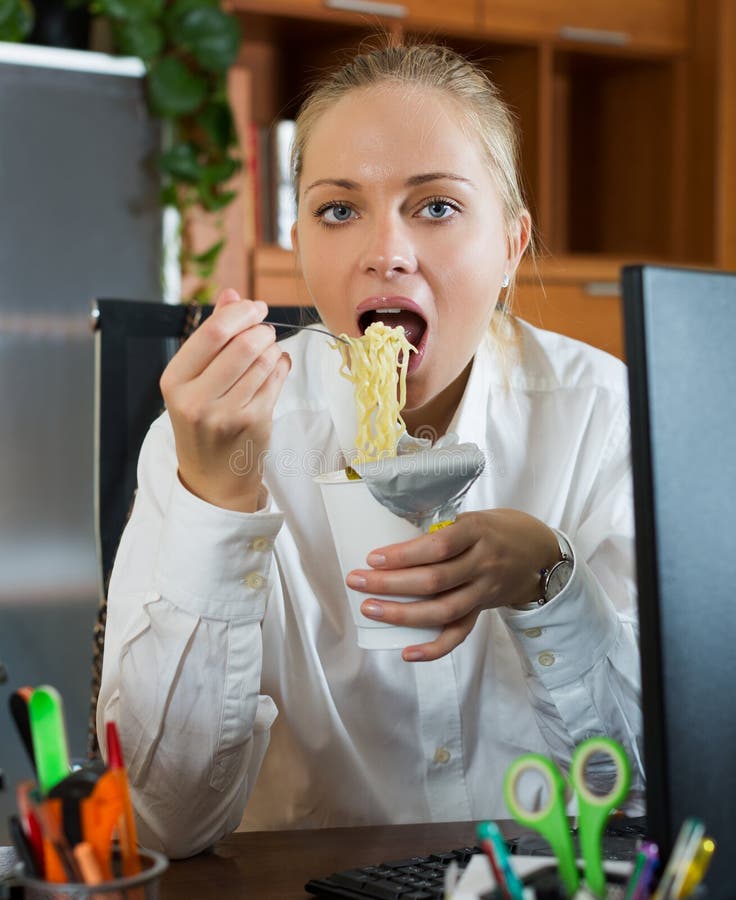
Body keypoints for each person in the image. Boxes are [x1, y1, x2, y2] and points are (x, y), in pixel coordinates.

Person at [97, 42, 643, 858]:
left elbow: (646, 788)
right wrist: (217, 499)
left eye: (436, 207)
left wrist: (550, 582)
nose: (385, 251)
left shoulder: (604, 418)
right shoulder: (222, 434)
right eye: (340, 211)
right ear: (301, 244)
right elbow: (162, 823)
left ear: (511, 247)